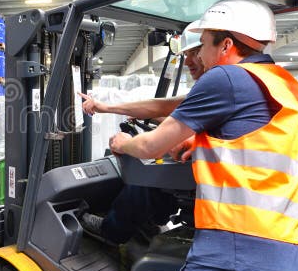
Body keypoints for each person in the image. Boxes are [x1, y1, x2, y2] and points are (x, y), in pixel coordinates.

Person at [107, 0, 298, 271]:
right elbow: (260, 142)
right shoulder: (287, 85)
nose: (200, 56)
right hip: (296, 266)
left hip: (237, 264)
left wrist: (122, 144)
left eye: (203, 45)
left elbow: (151, 145)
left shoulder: (227, 77)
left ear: (226, 45)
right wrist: (203, 144)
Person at [77, 22, 205, 244]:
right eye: (187, 54)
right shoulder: (210, 87)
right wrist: (106, 107)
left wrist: (124, 143)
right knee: (156, 172)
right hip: (205, 172)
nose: (189, 61)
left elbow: (149, 146)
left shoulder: (217, 84)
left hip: (207, 179)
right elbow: (162, 107)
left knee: (145, 175)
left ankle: (113, 230)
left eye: (195, 53)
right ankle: (150, 220)